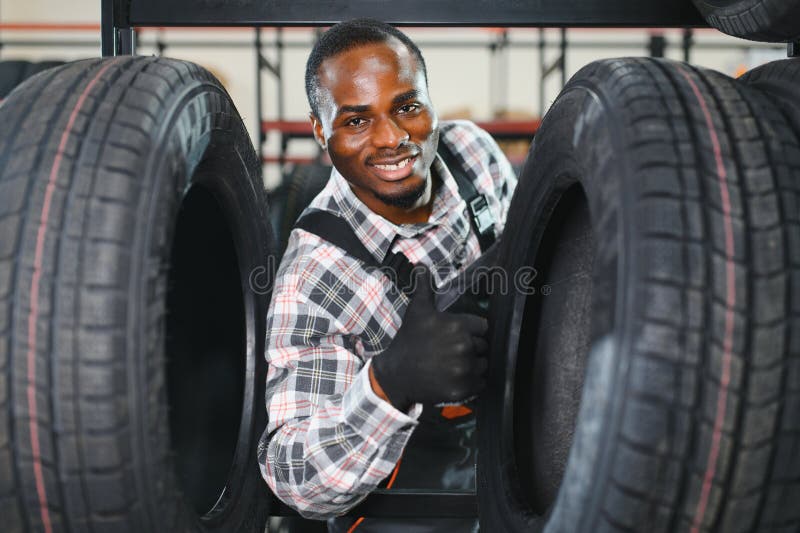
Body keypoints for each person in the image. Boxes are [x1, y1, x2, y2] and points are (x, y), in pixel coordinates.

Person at [258, 18, 518, 532]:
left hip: (509, 485)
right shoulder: (314, 275)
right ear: (319, 130)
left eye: (406, 107)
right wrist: (388, 382)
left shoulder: (473, 155)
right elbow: (292, 474)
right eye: (356, 121)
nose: (393, 138)